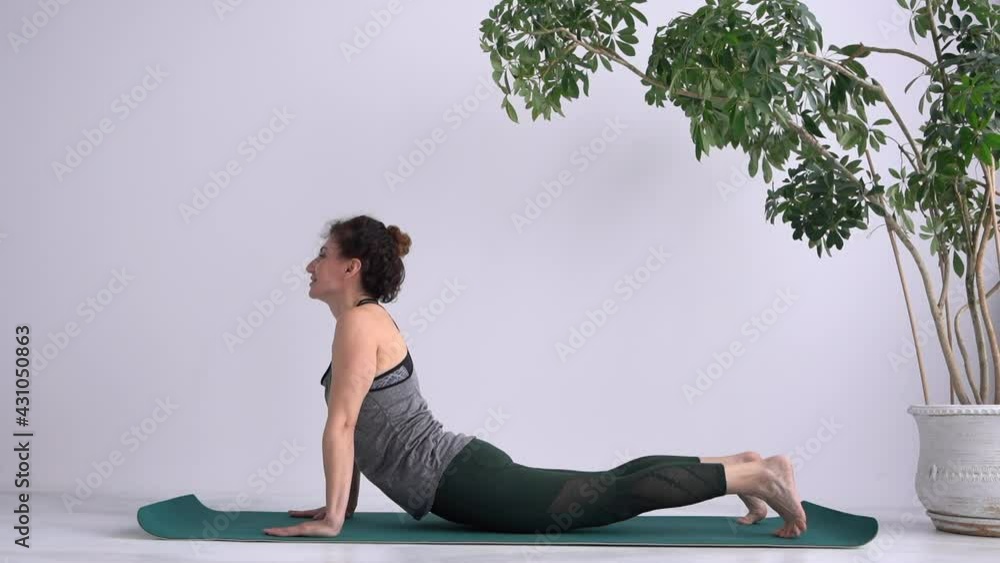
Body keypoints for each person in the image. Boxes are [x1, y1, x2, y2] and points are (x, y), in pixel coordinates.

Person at [262, 215, 808, 539]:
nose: (311, 265)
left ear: (350, 267)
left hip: (460, 479)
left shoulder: (359, 323)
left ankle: (755, 479)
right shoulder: (359, 324)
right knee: (609, 480)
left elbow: (341, 427)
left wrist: (334, 519)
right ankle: (743, 465)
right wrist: (343, 506)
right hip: (460, 471)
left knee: (605, 497)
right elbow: (356, 431)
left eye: (322, 254)